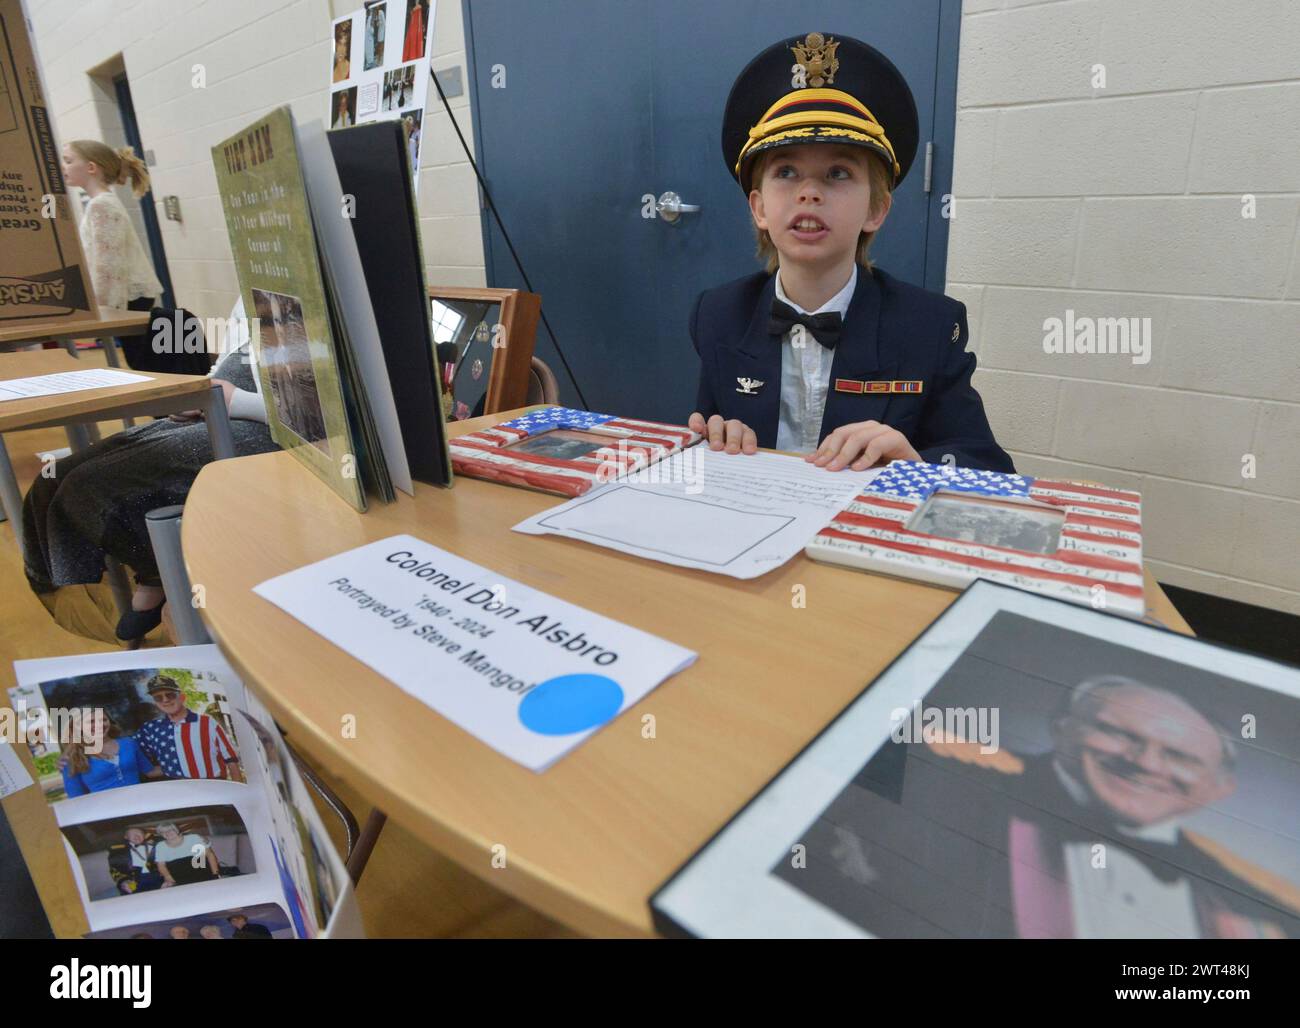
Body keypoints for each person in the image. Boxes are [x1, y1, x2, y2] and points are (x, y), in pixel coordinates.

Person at [688, 33, 1012, 474]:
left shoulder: (929, 326)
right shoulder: (719, 314)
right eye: (786, 171)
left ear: (876, 208)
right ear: (760, 207)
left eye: (838, 173)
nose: (809, 193)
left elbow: (989, 468)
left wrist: (915, 462)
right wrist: (712, 439)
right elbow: (707, 433)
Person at [777, 674, 1300, 937]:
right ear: (1061, 729)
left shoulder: (1251, 910)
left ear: (1219, 788)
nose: (1146, 763)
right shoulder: (918, 787)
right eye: (1118, 734)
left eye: (1181, 756)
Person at [22, 299, 278, 642]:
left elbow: (317, 413)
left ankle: (155, 574)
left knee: (90, 484)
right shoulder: (249, 289)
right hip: (220, 406)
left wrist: (236, 402)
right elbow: (228, 358)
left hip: (272, 425)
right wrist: (198, 393)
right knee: (54, 478)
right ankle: (125, 574)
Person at [60, 141, 162, 320]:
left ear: (91, 167)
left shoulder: (101, 204)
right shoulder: (99, 203)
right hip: (127, 293)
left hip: (127, 295)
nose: (63, 167)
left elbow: (108, 263)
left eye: (68, 161)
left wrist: (102, 305)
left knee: (137, 348)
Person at [134, 674, 242, 782]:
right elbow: (136, 758)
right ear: (156, 703)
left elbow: (231, 759)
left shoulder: (207, 722)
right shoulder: (153, 729)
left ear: (182, 697)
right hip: (179, 792)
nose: (165, 700)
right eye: (158, 697)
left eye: (170, 695)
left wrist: (238, 791)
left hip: (213, 787)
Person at [60, 707, 158, 797]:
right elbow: (76, 796)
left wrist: (173, 762)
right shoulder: (73, 756)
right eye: (91, 721)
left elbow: (150, 771)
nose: (99, 724)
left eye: (103, 720)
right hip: (107, 812)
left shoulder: (128, 743)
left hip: (140, 803)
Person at [153, 822, 221, 887]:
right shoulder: (160, 846)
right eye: (163, 832)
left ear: (176, 830)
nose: (167, 833)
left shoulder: (193, 838)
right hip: (178, 877)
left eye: (170, 830)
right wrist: (170, 879)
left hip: (201, 872)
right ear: (161, 834)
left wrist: (215, 874)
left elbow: (209, 855)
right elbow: (161, 865)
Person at [107, 827, 163, 894]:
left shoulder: (157, 844)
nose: (136, 836)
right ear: (126, 837)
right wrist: (123, 881)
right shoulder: (118, 851)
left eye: (139, 833)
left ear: (145, 835)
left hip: (158, 876)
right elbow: (114, 869)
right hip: (134, 880)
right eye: (132, 834)